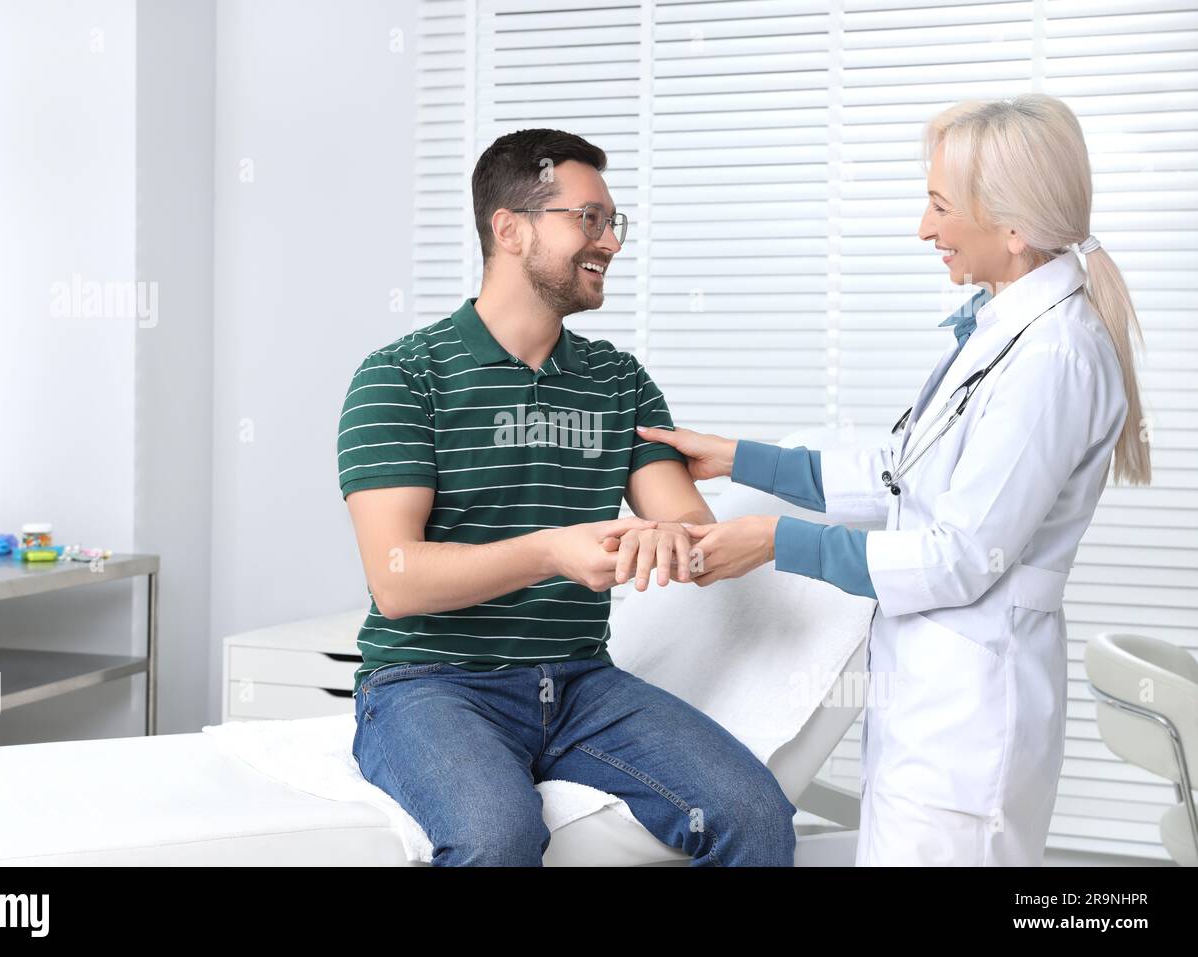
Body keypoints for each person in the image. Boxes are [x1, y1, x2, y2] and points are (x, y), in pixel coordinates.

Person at [640, 95, 1151, 865]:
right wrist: (740, 457)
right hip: (932, 705)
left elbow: (960, 554)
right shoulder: (1004, 329)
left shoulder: (1054, 359)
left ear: (1013, 229)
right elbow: (904, 472)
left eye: (940, 206)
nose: (924, 228)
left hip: (970, 722)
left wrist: (777, 541)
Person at [337, 128, 797, 866]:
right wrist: (553, 550)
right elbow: (397, 579)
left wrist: (669, 539)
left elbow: (687, 523)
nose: (611, 241)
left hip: (581, 683)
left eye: (614, 222)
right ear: (509, 228)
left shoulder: (617, 379)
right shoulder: (402, 376)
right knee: (498, 837)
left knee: (754, 814)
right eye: (589, 219)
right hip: (429, 684)